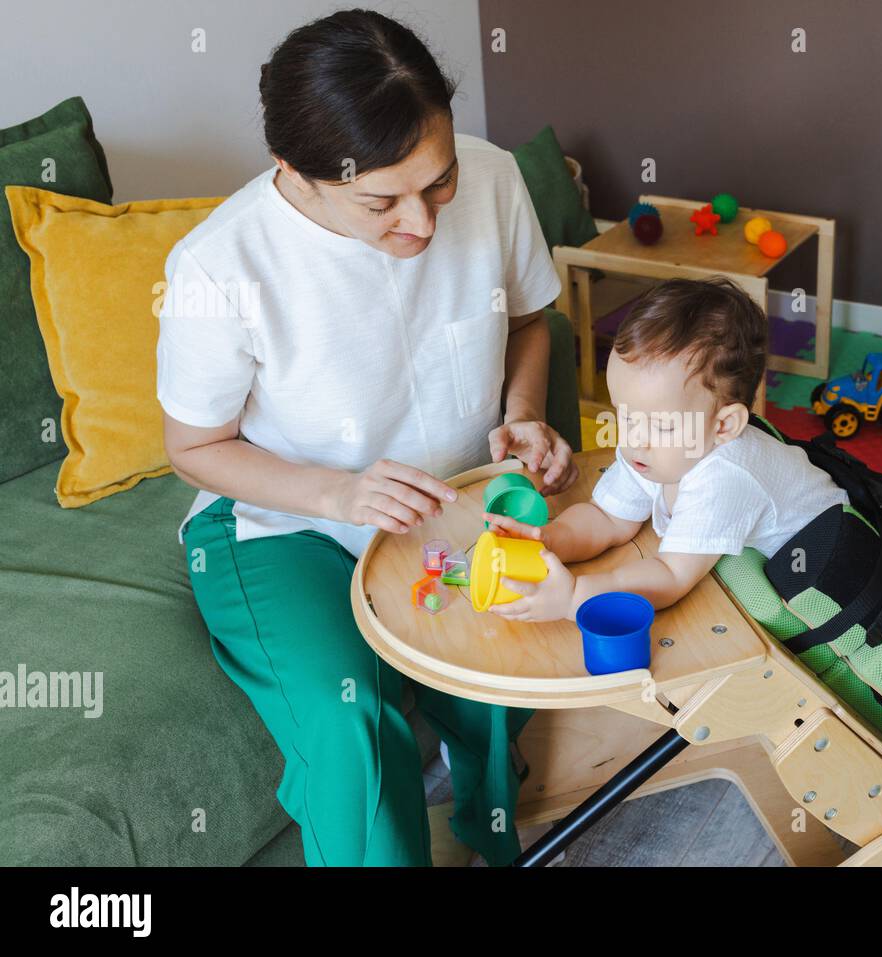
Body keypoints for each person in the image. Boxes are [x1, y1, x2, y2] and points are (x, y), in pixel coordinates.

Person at [157, 8, 575, 866]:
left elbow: (533, 318)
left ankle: (489, 827)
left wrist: (525, 412)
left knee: (500, 663)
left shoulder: (493, 178)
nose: (421, 225)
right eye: (380, 201)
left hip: (444, 505)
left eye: (439, 182)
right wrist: (338, 494)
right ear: (294, 174)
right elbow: (194, 446)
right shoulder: (220, 264)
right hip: (281, 525)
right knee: (348, 720)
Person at [481, 277, 848, 622]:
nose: (634, 439)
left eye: (662, 425)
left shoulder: (725, 477)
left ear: (723, 426)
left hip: (830, 573)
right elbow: (608, 518)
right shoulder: (653, 447)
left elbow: (670, 576)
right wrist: (548, 538)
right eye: (625, 416)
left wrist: (575, 596)